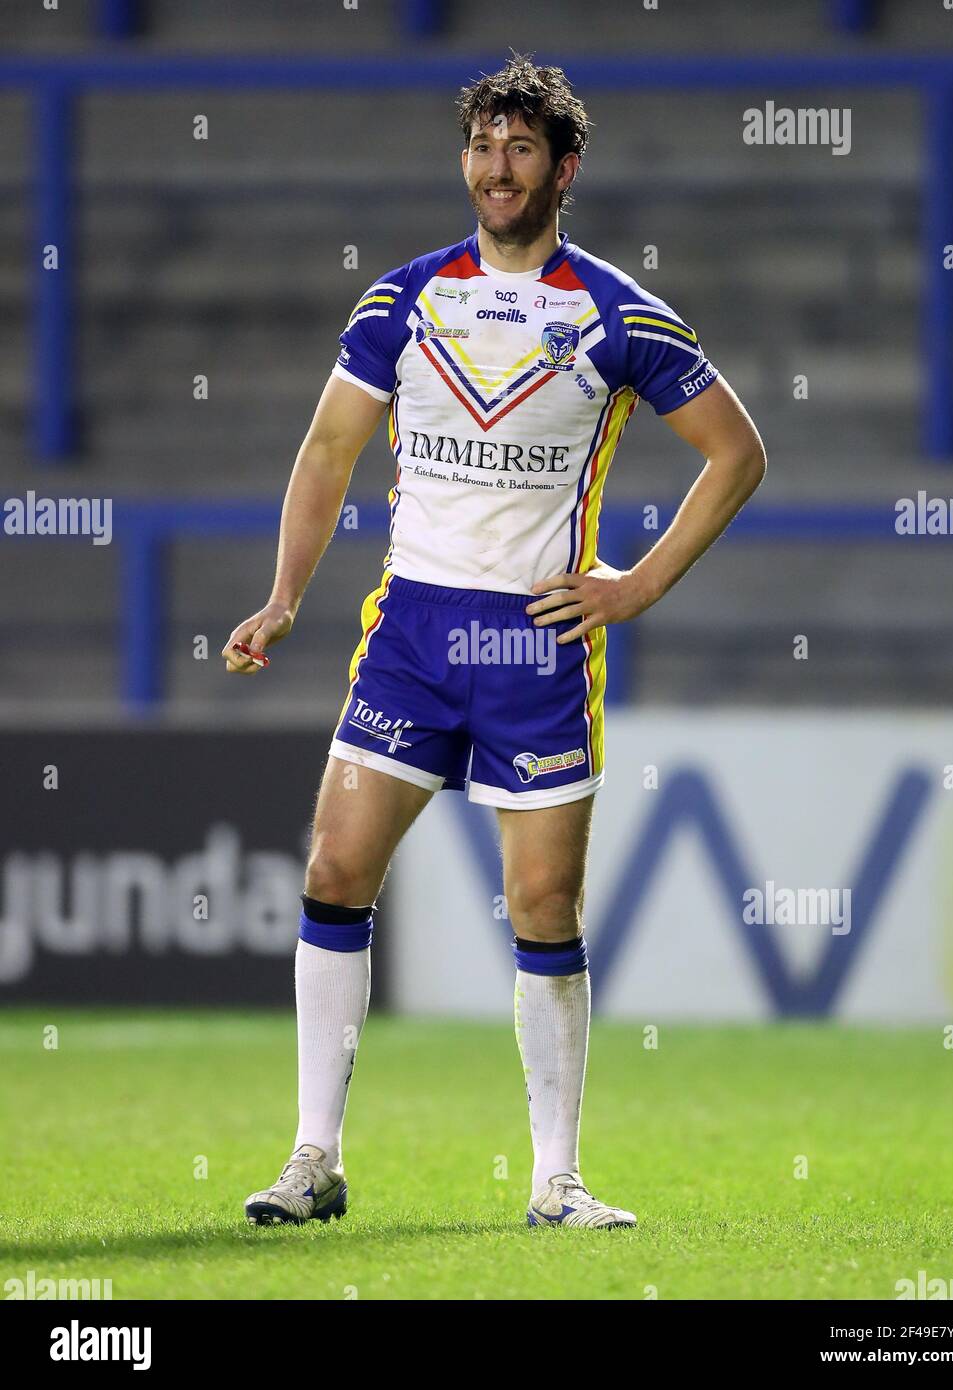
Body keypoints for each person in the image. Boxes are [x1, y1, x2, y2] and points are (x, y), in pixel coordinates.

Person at [224, 54, 766, 1230]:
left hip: (538, 643)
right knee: (332, 872)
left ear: (563, 169)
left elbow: (738, 452)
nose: (496, 167)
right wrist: (282, 600)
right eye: (481, 146)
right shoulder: (405, 300)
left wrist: (638, 585)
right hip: (411, 631)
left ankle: (555, 1181)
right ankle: (313, 1158)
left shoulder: (615, 312)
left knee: (544, 905)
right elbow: (327, 456)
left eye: (521, 148)